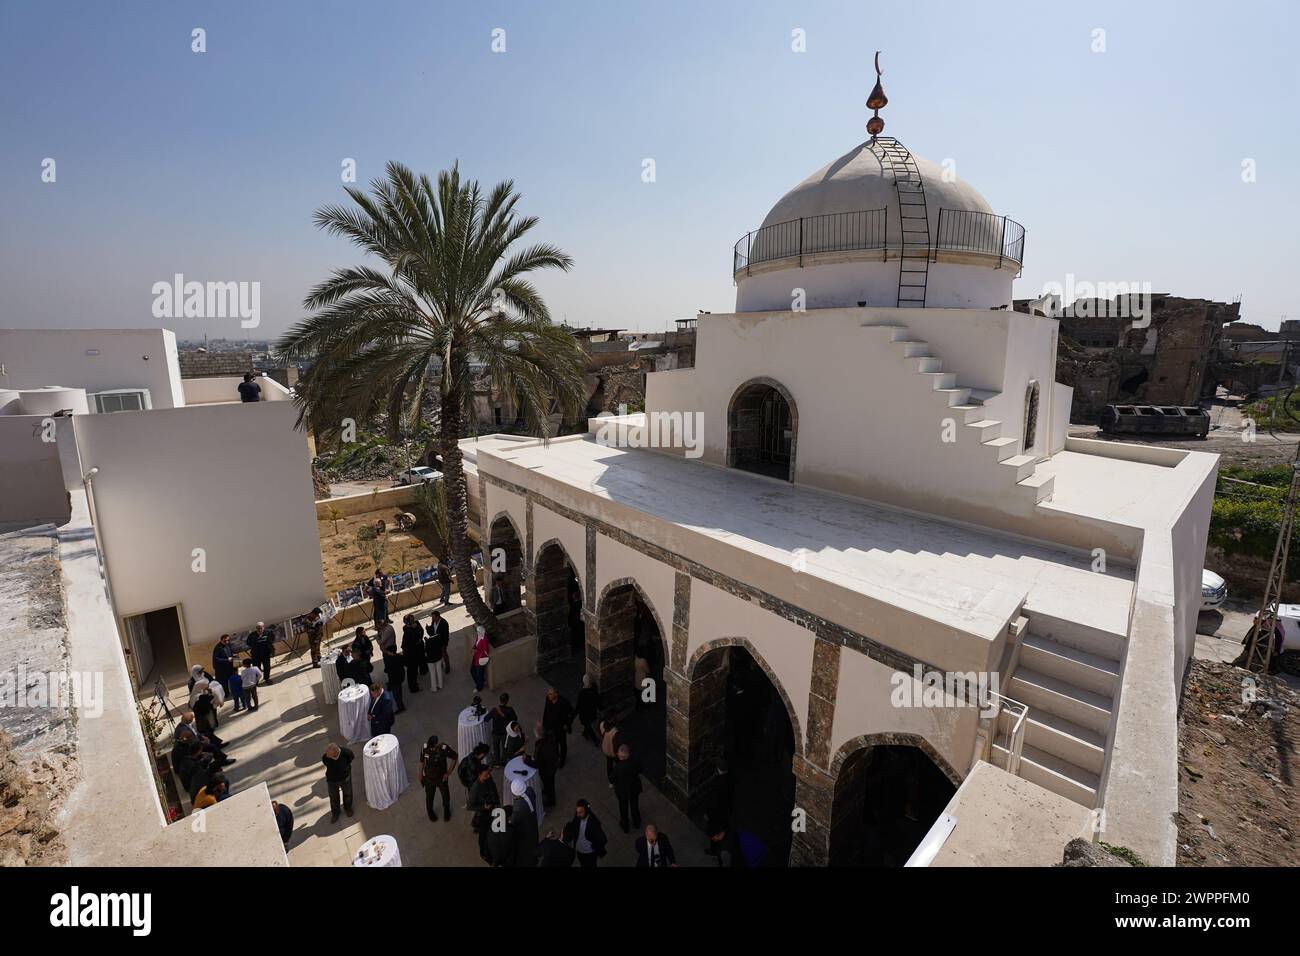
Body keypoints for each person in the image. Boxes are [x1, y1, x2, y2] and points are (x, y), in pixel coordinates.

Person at [419, 735, 457, 822]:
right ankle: (430, 811)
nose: (432, 750)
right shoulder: (425, 748)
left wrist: (448, 772)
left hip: (441, 778)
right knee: (429, 796)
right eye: (431, 748)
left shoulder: (444, 748)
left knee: (445, 795)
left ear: (437, 744)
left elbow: (455, 757)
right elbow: (421, 761)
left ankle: (446, 810)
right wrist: (420, 774)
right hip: (429, 778)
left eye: (433, 748)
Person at [468, 766, 501, 864]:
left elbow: (494, 790)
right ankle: (484, 853)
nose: (488, 776)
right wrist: (483, 807)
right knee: (483, 836)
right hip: (483, 815)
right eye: (486, 775)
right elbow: (470, 806)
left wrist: (497, 803)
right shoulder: (475, 789)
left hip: (492, 809)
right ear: (479, 775)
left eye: (488, 774)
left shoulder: (488, 778)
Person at [562, 799, 607, 868]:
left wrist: (594, 845)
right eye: (577, 812)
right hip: (579, 851)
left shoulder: (593, 824)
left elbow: (603, 839)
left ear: (587, 811)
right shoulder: (578, 816)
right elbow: (574, 824)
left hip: (589, 854)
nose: (577, 815)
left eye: (580, 812)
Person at [612, 744, 643, 833]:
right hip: (634, 789)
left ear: (621, 756)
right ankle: (636, 822)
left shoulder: (618, 767)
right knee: (634, 806)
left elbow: (612, 778)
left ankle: (625, 826)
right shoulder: (635, 762)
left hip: (622, 791)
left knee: (623, 808)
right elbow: (641, 769)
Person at [321, 743, 355, 822]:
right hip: (331, 780)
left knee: (348, 794)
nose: (327, 755)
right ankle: (336, 813)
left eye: (329, 755)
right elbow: (325, 762)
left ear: (336, 753)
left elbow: (351, 758)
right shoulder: (325, 757)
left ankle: (348, 808)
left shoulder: (346, 752)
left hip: (345, 778)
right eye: (327, 753)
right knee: (333, 797)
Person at [509, 778, 539, 867]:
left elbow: (513, 823)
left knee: (526, 850)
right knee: (534, 843)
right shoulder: (530, 790)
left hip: (525, 832)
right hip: (533, 824)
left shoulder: (518, 808)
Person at [542, 687, 574, 768]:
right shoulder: (548, 699)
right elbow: (546, 711)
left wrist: (567, 724)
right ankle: (556, 756)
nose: (548, 695)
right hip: (551, 728)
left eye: (550, 694)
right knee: (554, 743)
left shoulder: (564, 702)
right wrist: (544, 725)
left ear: (556, 694)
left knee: (562, 744)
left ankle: (562, 760)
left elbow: (572, 713)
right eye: (548, 693)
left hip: (560, 729)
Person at [533, 722, 559, 808]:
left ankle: (551, 801)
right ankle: (549, 794)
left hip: (546, 770)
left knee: (549, 785)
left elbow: (537, 762)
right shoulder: (551, 737)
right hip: (552, 766)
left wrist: (526, 760)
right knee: (549, 784)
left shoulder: (540, 746)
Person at [457, 743, 489, 809]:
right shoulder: (474, 766)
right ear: (482, 754)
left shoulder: (472, 755)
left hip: (466, 777)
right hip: (470, 781)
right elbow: (474, 780)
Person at [489, 693, 517, 767]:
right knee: (504, 748)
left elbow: (486, 718)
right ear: (507, 701)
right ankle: (503, 762)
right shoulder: (510, 710)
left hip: (495, 733)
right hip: (505, 734)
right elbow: (515, 719)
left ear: (500, 700)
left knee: (496, 748)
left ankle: (497, 763)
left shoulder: (494, 710)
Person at [401, 614, 425, 691]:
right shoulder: (408, 631)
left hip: (416, 651)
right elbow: (415, 639)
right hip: (411, 655)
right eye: (411, 621)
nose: (414, 621)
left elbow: (421, 632)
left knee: (421, 661)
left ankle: (423, 670)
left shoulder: (415, 624)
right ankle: (413, 687)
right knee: (412, 672)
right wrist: (415, 629)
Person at [425, 610, 450, 681]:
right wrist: (428, 628)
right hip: (435, 642)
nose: (432, 619)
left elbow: (445, 635)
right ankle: (441, 665)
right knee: (439, 654)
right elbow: (432, 631)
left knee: (444, 654)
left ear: (438, 617)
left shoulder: (444, 623)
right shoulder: (433, 622)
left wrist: (444, 643)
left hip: (442, 642)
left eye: (433, 617)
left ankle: (447, 667)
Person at [381, 644, 406, 713]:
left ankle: (401, 707)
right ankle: (401, 705)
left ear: (391, 652)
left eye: (388, 652)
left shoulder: (390, 660)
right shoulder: (400, 657)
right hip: (400, 677)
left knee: (396, 694)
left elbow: (387, 670)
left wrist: (390, 685)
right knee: (399, 691)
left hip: (394, 679)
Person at [576, 674, 600, 744]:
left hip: (585, 713)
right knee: (587, 725)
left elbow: (578, 704)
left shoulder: (582, 693)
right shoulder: (594, 690)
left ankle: (594, 739)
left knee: (588, 725)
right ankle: (585, 734)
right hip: (592, 712)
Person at [600, 717, 620, 785]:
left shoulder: (602, 725)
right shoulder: (614, 731)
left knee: (609, 765)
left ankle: (611, 781)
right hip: (611, 752)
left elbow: (602, 734)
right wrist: (615, 754)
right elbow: (615, 745)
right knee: (619, 763)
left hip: (605, 748)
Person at [470, 626, 490, 693]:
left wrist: (476, 650)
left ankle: (479, 687)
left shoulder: (484, 639)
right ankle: (480, 682)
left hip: (481, 658)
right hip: (476, 657)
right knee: (472, 670)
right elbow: (476, 643)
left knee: (479, 673)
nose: (477, 632)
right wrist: (474, 647)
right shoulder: (479, 636)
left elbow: (485, 651)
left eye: (478, 631)